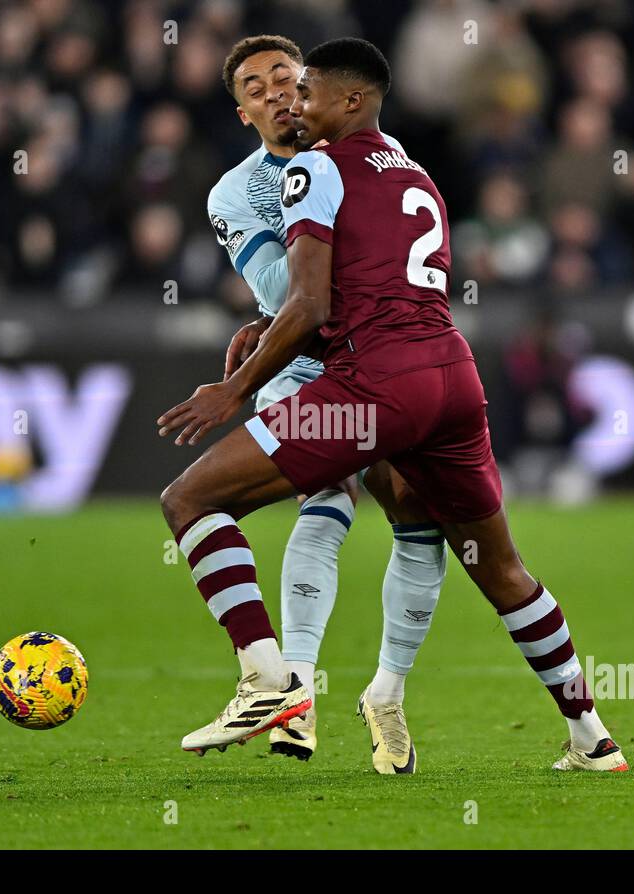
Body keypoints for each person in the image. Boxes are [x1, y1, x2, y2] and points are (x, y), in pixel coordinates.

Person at [159, 38, 627, 773]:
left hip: (367, 385)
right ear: (242, 107)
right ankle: (591, 737)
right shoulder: (403, 164)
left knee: (190, 499)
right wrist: (272, 326)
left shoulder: (314, 165)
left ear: (345, 99)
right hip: (450, 377)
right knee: (498, 567)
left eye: (300, 84)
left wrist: (236, 385)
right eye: (269, 88)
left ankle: (269, 679)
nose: (291, 99)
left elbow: (309, 303)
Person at [203, 34, 447, 772]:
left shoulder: (370, 149)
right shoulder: (236, 193)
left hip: (390, 357)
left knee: (418, 512)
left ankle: (386, 693)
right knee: (327, 491)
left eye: (286, 76)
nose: (275, 91)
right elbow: (283, 295)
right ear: (244, 112)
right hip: (307, 361)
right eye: (256, 87)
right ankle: (296, 687)